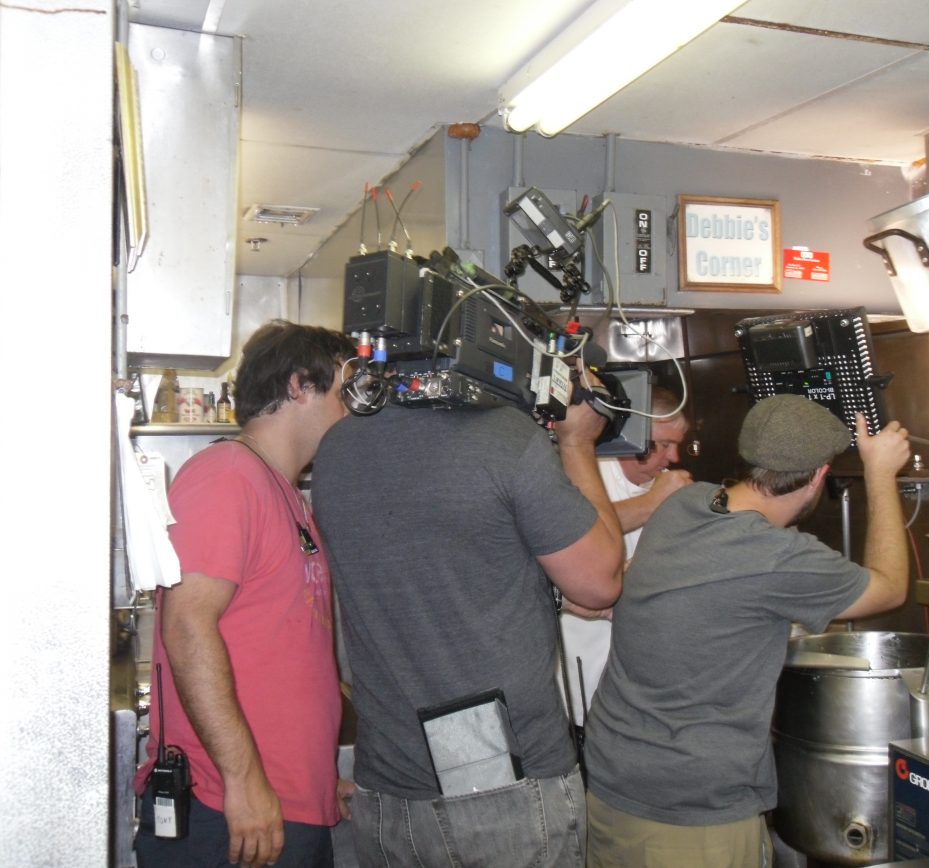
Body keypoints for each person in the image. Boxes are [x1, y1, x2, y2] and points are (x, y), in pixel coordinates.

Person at [311, 369, 624, 868]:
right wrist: (577, 444)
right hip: (504, 794)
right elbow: (601, 581)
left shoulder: (336, 447)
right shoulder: (506, 438)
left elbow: (439, 569)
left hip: (386, 789)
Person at [584, 394, 912, 868]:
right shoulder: (776, 556)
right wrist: (881, 475)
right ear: (819, 475)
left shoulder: (684, 505)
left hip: (615, 779)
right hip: (689, 815)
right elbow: (890, 588)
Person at [135, 320, 356, 868]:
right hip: (229, 811)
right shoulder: (227, 475)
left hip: (287, 802)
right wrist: (244, 779)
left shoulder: (283, 491)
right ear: (300, 386)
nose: (353, 410)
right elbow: (187, 626)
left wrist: (318, 782)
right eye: (343, 392)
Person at [560, 386, 693, 729]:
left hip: (643, 676)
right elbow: (577, 535)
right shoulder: (587, 473)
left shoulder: (663, 486)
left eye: (677, 446)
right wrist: (651, 505)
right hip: (584, 674)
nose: (673, 458)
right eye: (663, 445)